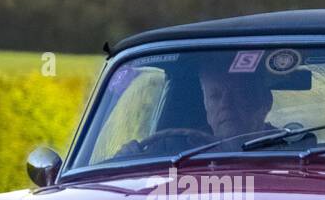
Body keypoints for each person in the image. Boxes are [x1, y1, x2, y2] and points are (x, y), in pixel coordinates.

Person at [115, 55, 277, 157]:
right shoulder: (172, 148)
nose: (225, 104)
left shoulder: (290, 146)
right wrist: (127, 157)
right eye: (215, 96)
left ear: (265, 101)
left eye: (239, 93)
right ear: (206, 106)